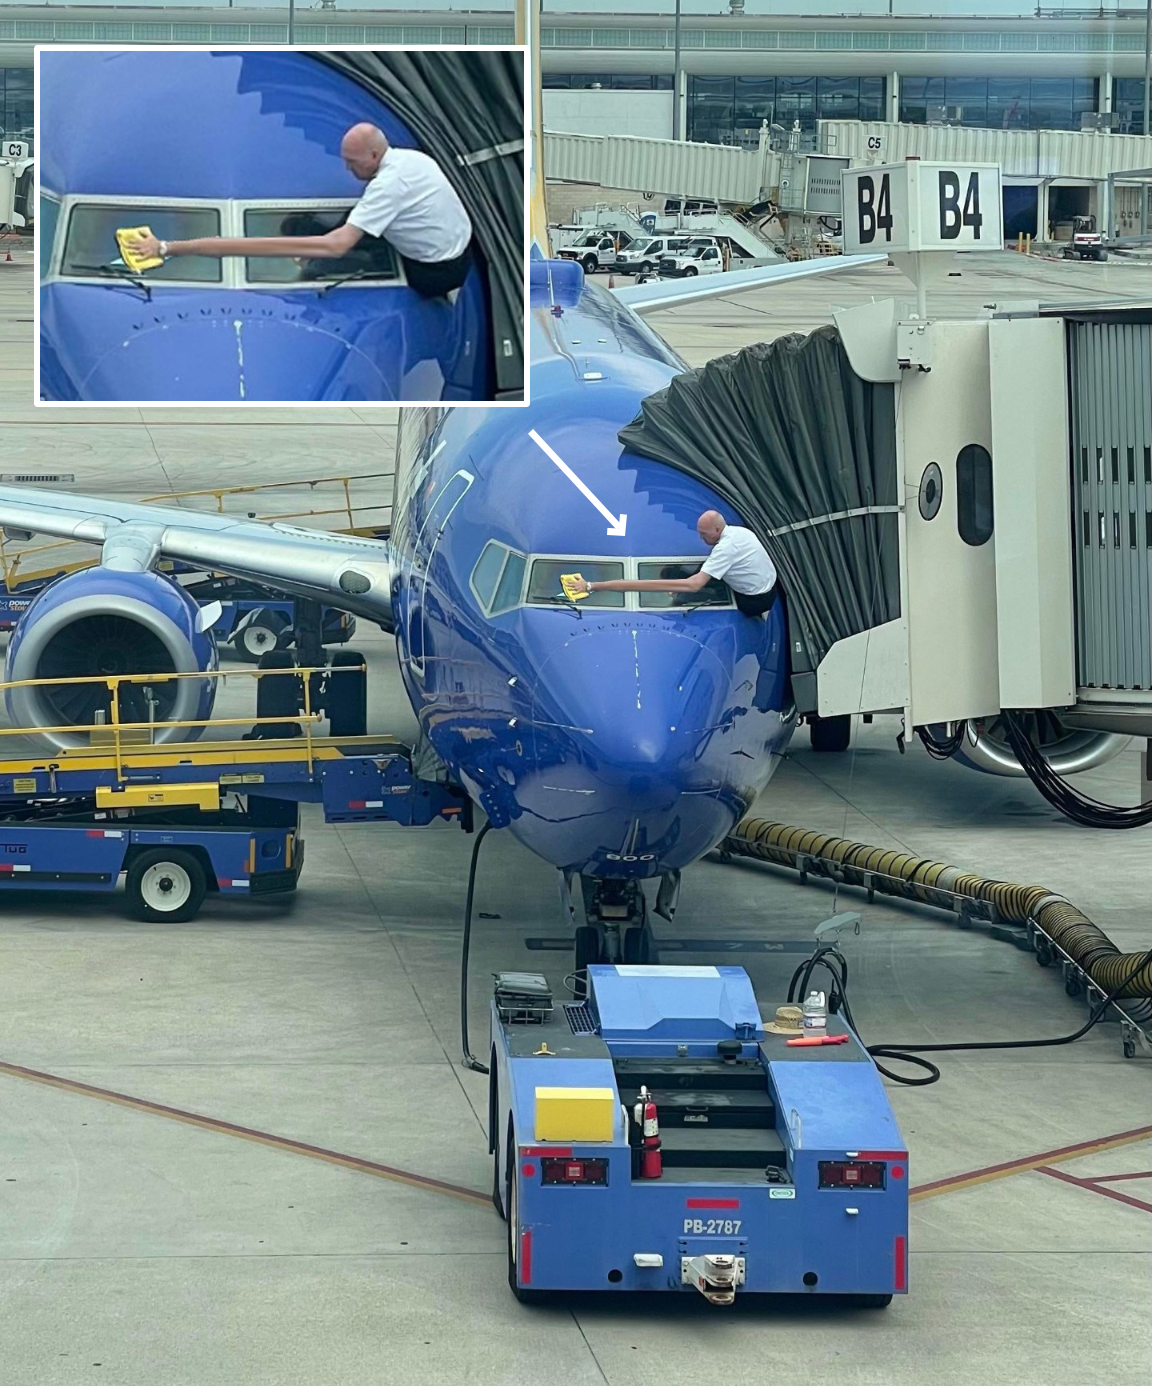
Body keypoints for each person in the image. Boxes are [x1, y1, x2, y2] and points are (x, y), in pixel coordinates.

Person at [124, 123, 475, 299]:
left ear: (373, 157)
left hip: (435, 271)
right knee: (321, 225)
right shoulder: (412, 159)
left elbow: (336, 247)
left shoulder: (387, 187)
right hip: (456, 241)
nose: (347, 171)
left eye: (352, 164)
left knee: (328, 260)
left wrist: (171, 248)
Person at [571, 511, 778, 617]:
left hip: (754, 600)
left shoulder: (725, 550)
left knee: (693, 590)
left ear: (716, 531)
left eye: (703, 534)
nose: (700, 539)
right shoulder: (740, 533)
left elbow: (694, 585)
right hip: (768, 583)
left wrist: (592, 586)